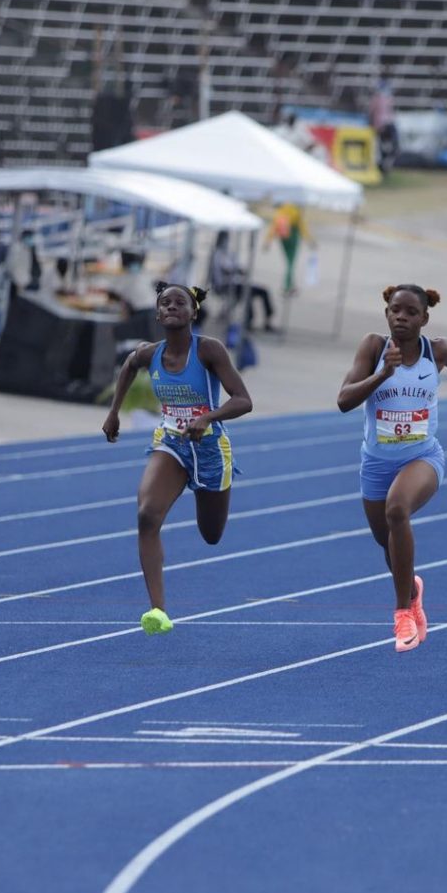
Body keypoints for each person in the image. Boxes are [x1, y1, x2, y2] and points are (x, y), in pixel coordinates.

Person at [337, 284, 447, 653]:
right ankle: (412, 591)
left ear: (424, 318)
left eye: (410, 312)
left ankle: (402, 612)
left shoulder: (436, 351)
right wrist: (381, 375)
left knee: (397, 510)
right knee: (387, 543)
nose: (401, 318)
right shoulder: (374, 348)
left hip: (422, 457)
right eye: (395, 311)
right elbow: (344, 400)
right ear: (386, 313)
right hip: (375, 463)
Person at [101, 281, 253, 635]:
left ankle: (202, 491)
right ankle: (158, 611)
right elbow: (128, 365)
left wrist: (207, 418)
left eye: (179, 302)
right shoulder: (149, 353)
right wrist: (114, 413)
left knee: (211, 534)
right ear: (157, 313)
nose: (171, 307)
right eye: (164, 303)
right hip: (172, 442)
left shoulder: (208, 351)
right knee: (146, 514)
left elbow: (243, 399)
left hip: (211, 449)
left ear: (193, 312)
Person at [209, 230, 276, 331]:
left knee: (263, 291)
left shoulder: (229, 253)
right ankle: (248, 320)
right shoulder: (218, 254)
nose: (226, 241)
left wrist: (240, 270)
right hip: (225, 284)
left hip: (237, 282)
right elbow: (228, 269)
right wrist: (237, 270)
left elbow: (238, 268)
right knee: (247, 292)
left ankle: (268, 319)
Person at [263, 202, 316, 296]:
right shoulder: (295, 210)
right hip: (293, 236)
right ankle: (287, 287)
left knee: (288, 262)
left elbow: (273, 227)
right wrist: (310, 240)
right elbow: (302, 227)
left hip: (283, 238)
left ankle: (292, 286)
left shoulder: (280, 211)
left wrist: (268, 241)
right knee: (290, 263)